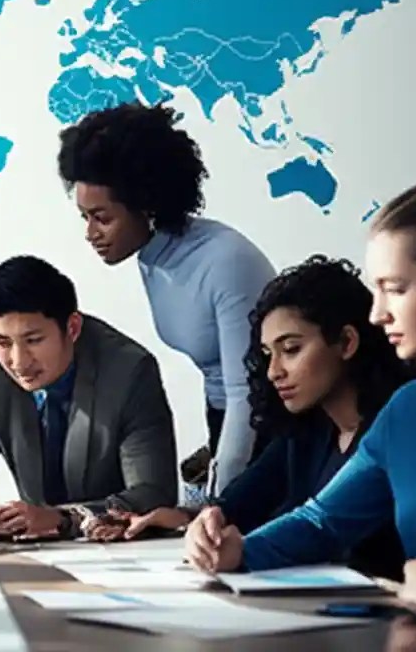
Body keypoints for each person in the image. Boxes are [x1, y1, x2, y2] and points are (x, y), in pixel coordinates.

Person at [185, 175, 416, 598]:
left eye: (395, 289)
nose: (377, 314)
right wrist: (236, 551)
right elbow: (322, 521)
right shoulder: (409, 410)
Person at [113, 255, 416, 579]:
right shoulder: (305, 432)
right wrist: (201, 522)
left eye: (291, 349)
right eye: (268, 355)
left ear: (346, 342)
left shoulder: (400, 425)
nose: (274, 372)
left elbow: (325, 529)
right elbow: (237, 503)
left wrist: (242, 550)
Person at [57, 102, 277, 496]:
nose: (90, 233)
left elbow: (250, 395)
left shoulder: (225, 262)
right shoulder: (152, 258)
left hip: (268, 431)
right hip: (224, 422)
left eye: (102, 218)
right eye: (84, 218)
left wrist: (219, 498)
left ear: (148, 205)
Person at [0, 256, 177, 540]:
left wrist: (65, 519)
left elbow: (154, 493)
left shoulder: (129, 371)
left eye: (33, 340)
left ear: (72, 328)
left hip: (120, 549)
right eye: (3, 342)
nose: (18, 362)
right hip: (36, 554)